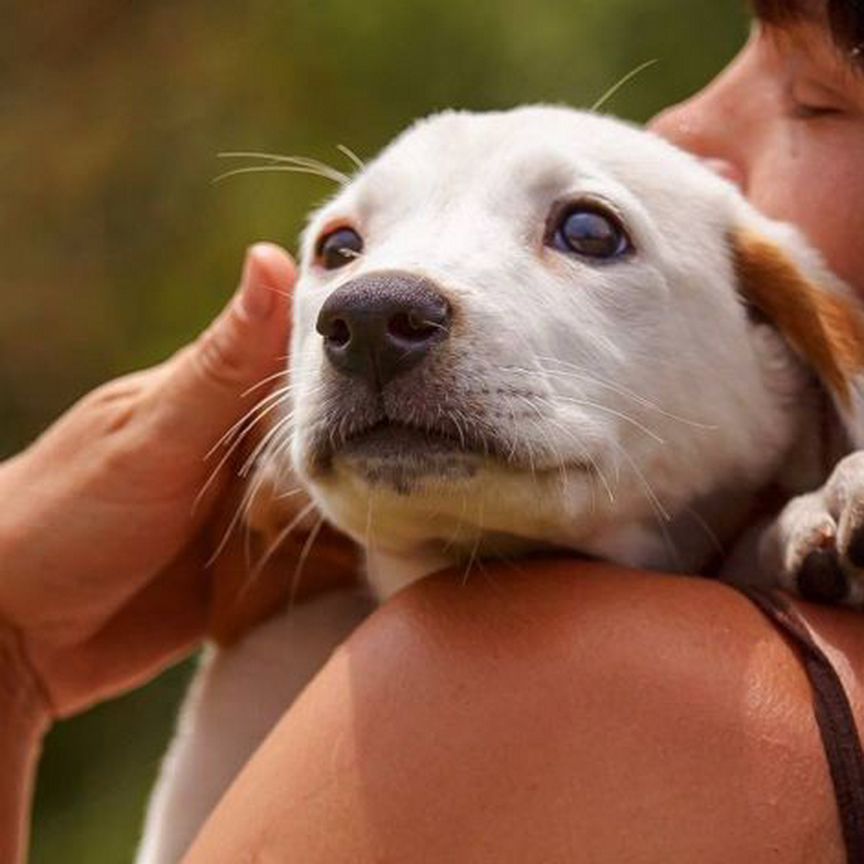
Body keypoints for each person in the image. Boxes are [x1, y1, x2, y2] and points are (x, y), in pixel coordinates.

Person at [2, 1, 863, 861]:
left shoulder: (455, 693)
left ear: (790, 365)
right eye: (341, 252)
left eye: (588, 232)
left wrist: (15, 657)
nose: (370, 307)